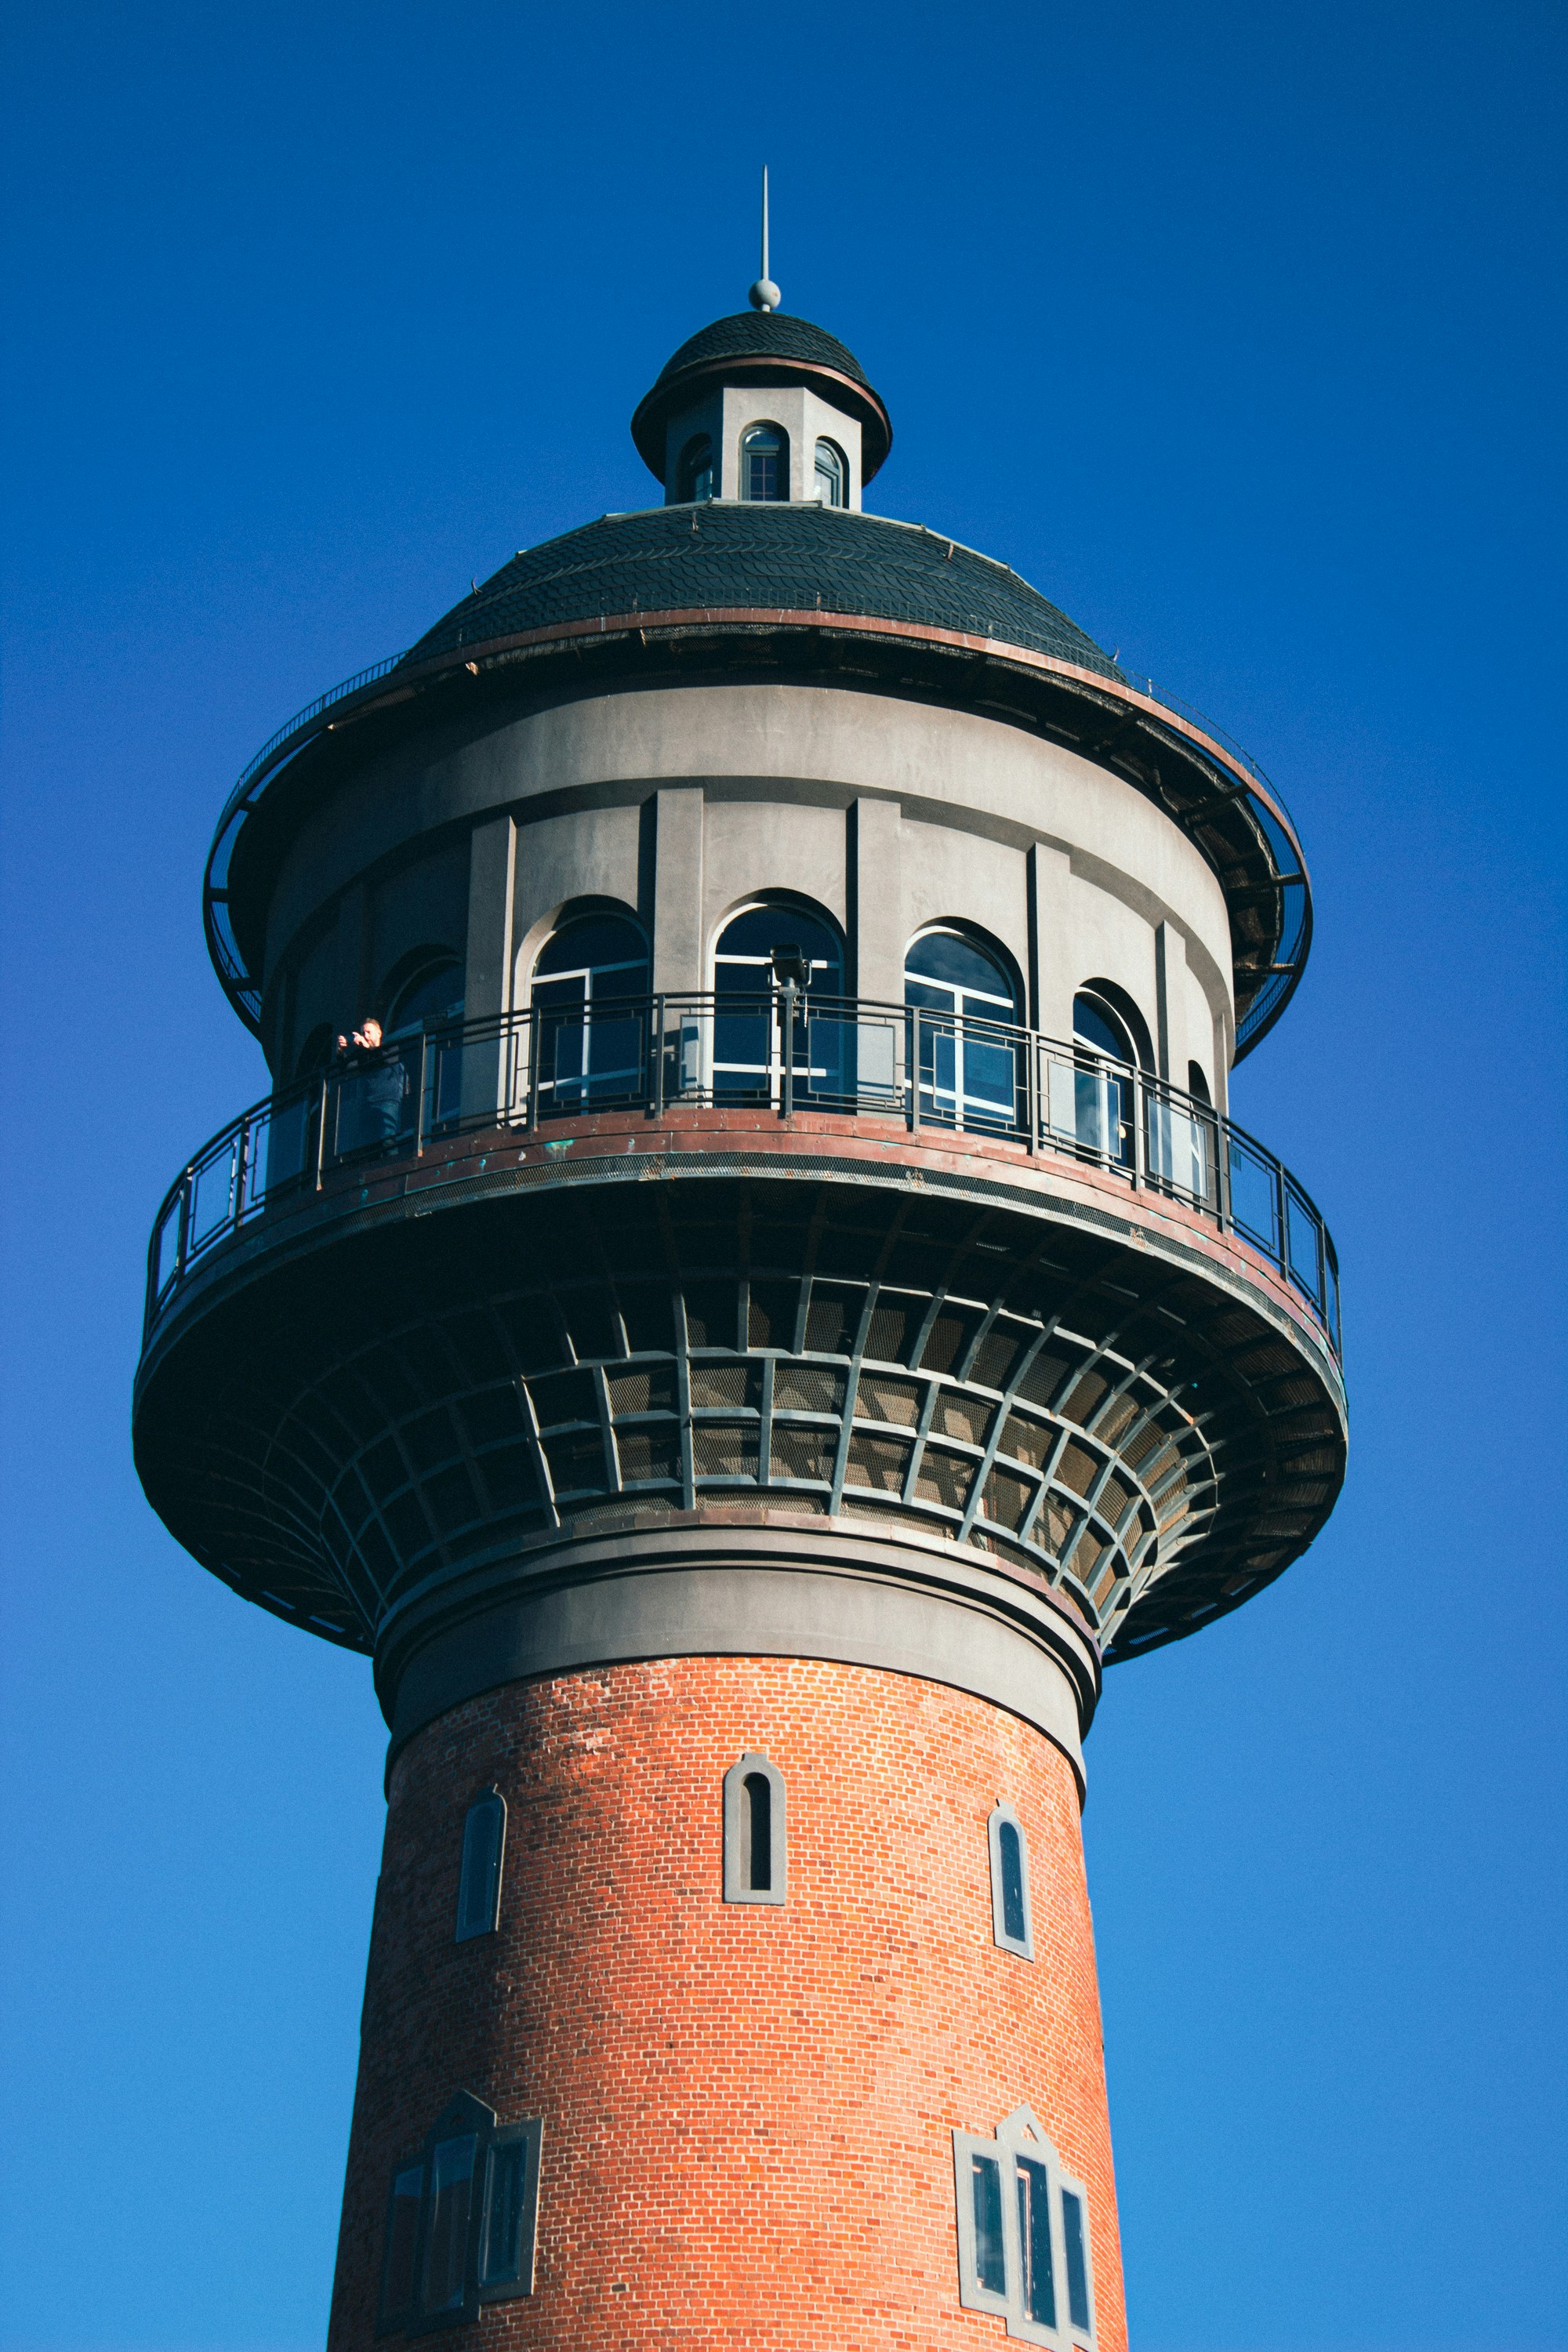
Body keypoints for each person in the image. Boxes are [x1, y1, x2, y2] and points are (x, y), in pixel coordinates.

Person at [334, 1017, 408, 1152]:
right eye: (363, 1033)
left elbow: (388, 1060)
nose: (365, 1036)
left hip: (387, 1101)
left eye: (369, 1032)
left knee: (387, 1139)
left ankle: (391, 1165)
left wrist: (367, 1047)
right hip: (367, 1103)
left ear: (379, 1033)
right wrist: (341, 1053)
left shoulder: (390, 1047)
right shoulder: (361, 1053)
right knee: (368, 1146)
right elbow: (347, 1070)